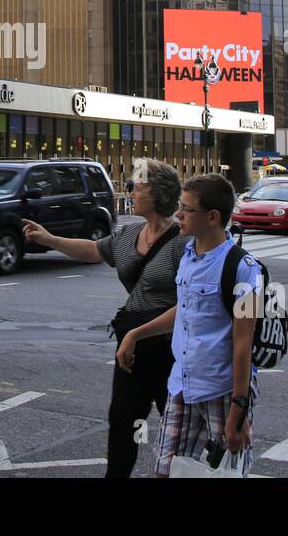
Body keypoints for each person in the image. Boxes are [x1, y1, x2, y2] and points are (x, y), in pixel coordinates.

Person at [23, 158, 184, 478]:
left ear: (157, 193)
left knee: (177, 426)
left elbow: (192, 302)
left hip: (172, 349)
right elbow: (93, 250)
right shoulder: (128, 235)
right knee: (122, 421)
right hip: (132, 350)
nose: (131, 191)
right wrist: (49, 239)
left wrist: (138, 334)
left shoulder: (183, 241)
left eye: (137, 186)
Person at [116, 173, 262, 478]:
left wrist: (239, 409)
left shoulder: (243, 269)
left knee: (225, 474)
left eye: (186, 208)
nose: (178, 214)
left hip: (222, 390)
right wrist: (136, 333)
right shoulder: (188, 257)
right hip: (182, 385)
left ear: (212, 217)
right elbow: (183, 310)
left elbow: (243, 345)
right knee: (165, 471)